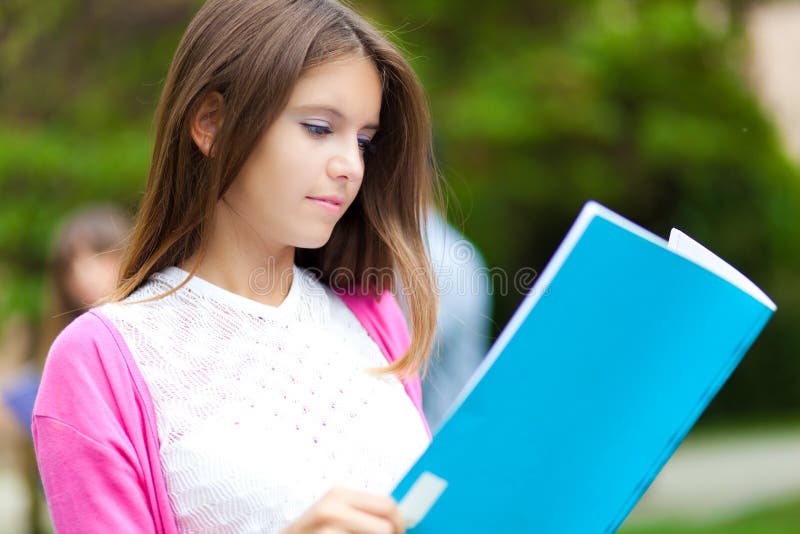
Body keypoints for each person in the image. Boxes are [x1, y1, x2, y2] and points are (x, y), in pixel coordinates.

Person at [32, 1, 441, 533]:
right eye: (319, 128)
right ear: (212, 124)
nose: (350, 166)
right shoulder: (99, 362)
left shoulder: (373, 317)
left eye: (363, 140)